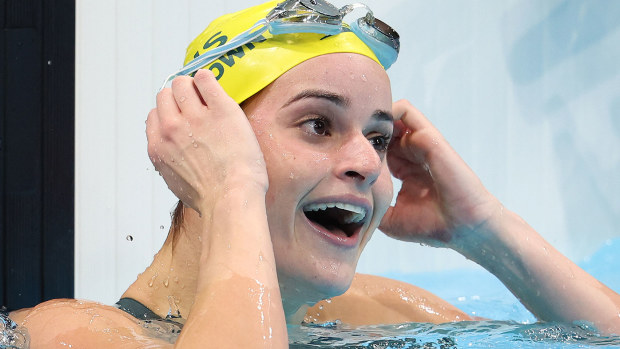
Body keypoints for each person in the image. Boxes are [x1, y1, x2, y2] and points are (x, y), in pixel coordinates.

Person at [7, 0, 620, 347]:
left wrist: (482, 228)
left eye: (379, 137)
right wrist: (231, 191)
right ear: (205, 142)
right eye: (318, 125)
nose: (367, 163)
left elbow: (603, 338)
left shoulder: (374, 311)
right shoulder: (73, 335)